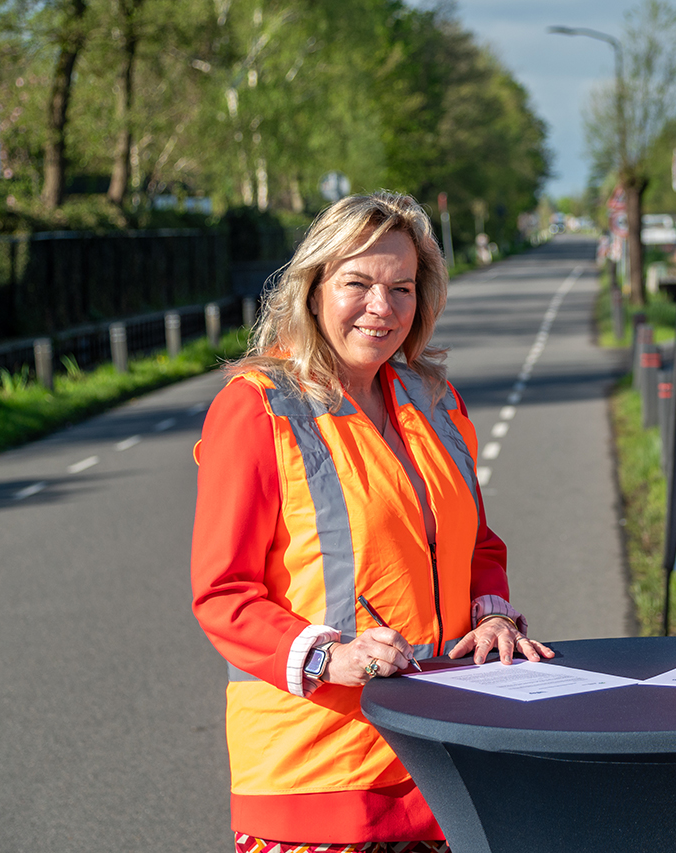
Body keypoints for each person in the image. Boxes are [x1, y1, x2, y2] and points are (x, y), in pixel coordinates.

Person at [191, 190, 553, 853]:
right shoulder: (256, 410)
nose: (382, 308)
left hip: (438, 763)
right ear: (315, 286)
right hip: (317, 774)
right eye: (357, 283)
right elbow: (224, 594)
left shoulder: (436, 400)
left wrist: (490, 615)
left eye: (403, 287)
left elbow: (476, 540)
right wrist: (331, 655)